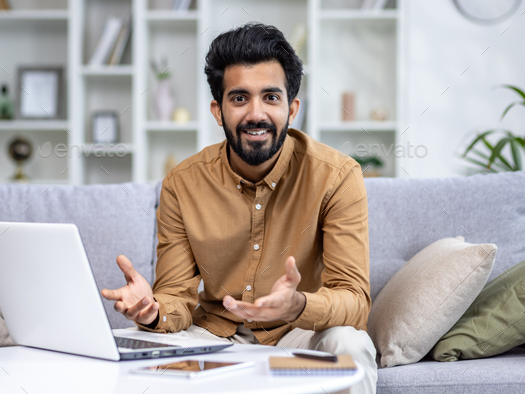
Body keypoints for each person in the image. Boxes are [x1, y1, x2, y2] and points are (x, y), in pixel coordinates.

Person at [101, 22, 377, 394]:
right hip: (214, 336)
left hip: (297, 334)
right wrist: (152, 312)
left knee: (350, 344)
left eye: (271, 97)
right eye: (239, 98)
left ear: (293, 108)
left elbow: (355, 301)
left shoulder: (337, 176)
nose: (255, 114)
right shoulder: (182, 184)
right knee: (135, 352)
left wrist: (297, 305)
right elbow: (176, 299)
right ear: (218, 110)